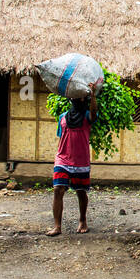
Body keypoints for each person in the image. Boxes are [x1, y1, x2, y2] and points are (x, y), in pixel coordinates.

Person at [48, 97, 94, 235]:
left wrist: (93, 95)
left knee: (81, 191)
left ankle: (82, 220)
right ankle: (57, 226)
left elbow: (94, 111)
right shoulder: (62, 117)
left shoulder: (87, 116)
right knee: (58, 189)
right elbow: (61, 137)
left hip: (81, 160)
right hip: (62, 159)